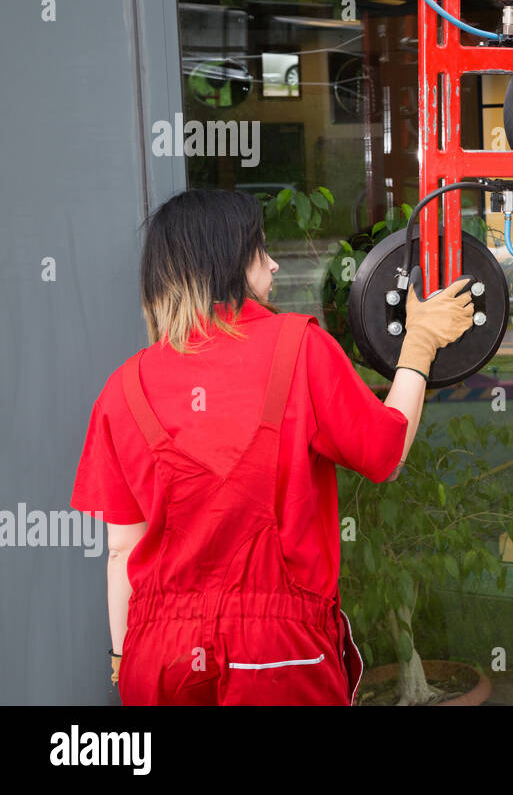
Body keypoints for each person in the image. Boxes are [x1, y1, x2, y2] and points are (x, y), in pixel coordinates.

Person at [70, 189, 474, 705]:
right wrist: (418, 345)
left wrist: (125, 660)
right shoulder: (298, 347)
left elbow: (122, 551)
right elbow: (383, 454)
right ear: (229, 262)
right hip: (276, 656)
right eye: (261, 250)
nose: (275, 264)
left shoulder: (121, 390)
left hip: (158, 658)